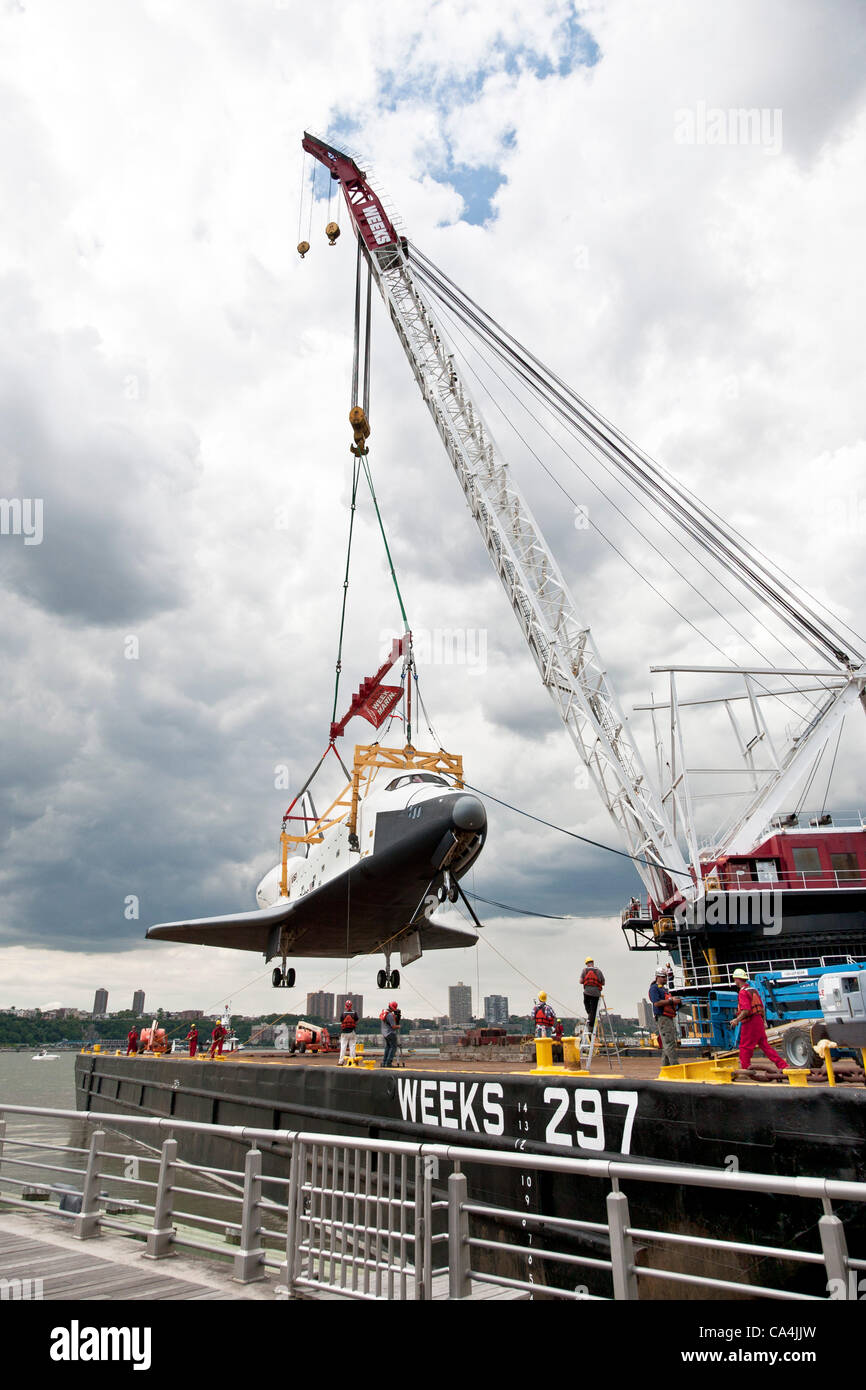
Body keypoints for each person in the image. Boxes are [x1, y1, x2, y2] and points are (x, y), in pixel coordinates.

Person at [731, 968, 787, 1072]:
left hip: (750, 1022)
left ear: (738, 979)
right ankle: (783, 1065)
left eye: (735, 979)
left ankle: (745, 1069)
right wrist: (764, 1021)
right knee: (765, 1046)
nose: (735, 981)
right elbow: (761, 1007)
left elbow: (746, 1010)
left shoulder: (743, 992)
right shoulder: (753, 990)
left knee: (744, 1047)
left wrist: (736, 1020)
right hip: (759, 1021)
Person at [649, 968, 681, 1069]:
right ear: (657, 977)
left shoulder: (663, 989)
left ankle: (665, 1068)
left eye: (666, 977)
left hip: (668, 1017)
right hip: (663, 1017)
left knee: (668, 1043)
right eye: (663, 977)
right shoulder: (654, 988)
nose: (665, 979)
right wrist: (672, 1001)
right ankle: (675, 1067)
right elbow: (657, 1003)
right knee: (669, 1043)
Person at [580, 958, 605, 1031]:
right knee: (594, 1009)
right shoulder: (599, 971)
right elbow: (603, 982)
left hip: (587, 992)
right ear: (593, 963)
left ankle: (589, 1016)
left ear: (587, 964)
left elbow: (581, 981)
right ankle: (591, 1024)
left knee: (586, 1003)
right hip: (596, 993)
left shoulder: (584, 970)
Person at [380, 1001, 399, 1068]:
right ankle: (388, 1063)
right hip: (390, 1033)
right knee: (393, 1047)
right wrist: (399, 1026)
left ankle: (384, 1062)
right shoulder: (390, 1015)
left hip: (385, 1033)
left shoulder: (384, 1013)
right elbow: (393, 1026)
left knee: (388, 1047)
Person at [339, 1000, 359, 1064]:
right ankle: (352, 1060)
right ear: (351, 1006)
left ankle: (341, 1061)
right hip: (352, 1032)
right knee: (352, 1047)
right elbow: (356, 1020)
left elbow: (341, 1020)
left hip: (344, 1032)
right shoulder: (354, 1013)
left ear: (345, 1006)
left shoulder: (343, 1013)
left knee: (343, 1047)